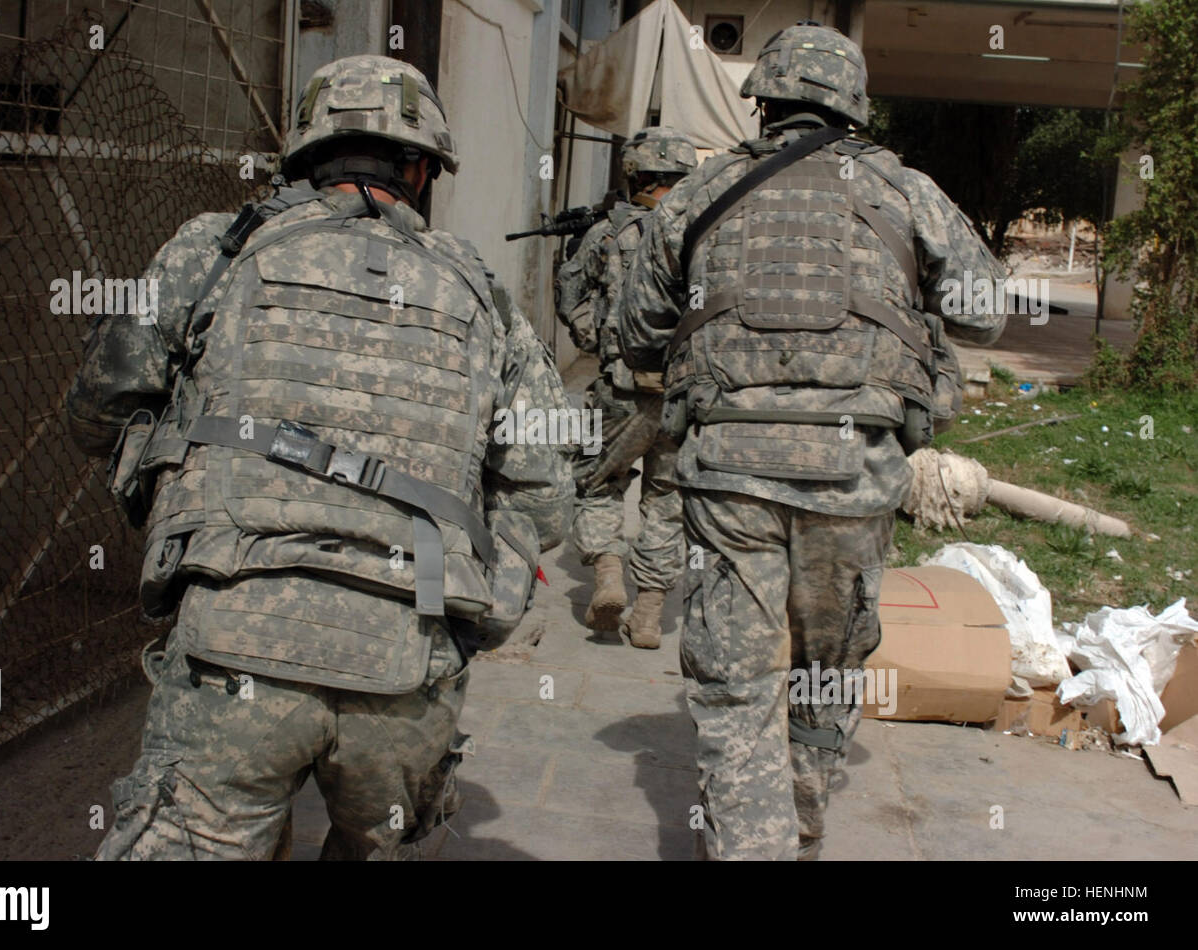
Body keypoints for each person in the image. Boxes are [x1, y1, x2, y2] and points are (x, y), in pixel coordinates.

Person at [66, 54, 573, 860]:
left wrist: (164, 488)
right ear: (420, 170)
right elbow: (544, 500)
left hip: (234, 640)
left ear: (303, 159)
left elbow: (99, 408)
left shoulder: (216, 250)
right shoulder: (483, 294)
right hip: (406, 667)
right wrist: (471, 605)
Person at [619, 23, 1007, 859]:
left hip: (731, 475)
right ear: (853, 108)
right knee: (825, 672)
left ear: (762, 102)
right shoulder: (903, 188)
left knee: (735, 685)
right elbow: (984, 307)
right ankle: (799, 815)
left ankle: (750, 840)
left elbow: (637, 331)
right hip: (853, 475)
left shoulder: (698, 190)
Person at [554, 127, 697, 648]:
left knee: (596, 482)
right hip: (685, 394)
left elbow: (571, 298)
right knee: (667, 496)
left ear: (634, 174)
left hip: (620, 389)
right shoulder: (704, 233)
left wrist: (598, 338)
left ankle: (610, 573)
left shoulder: (606, 235)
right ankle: (650, 613)